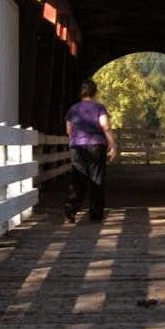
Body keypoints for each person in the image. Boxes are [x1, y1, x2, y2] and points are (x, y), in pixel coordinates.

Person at [63, 78, 117, 223]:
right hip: (96, 146)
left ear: (81, 93)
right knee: (96, 179)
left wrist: (75, 141)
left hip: (77, 147)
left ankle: (71, 209)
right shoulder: (100, 108)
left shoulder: (73, 109)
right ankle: (96, 215)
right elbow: (105, 126)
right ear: (95, 92)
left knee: (78, 178)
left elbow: (69, 130)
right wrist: (113, 145)